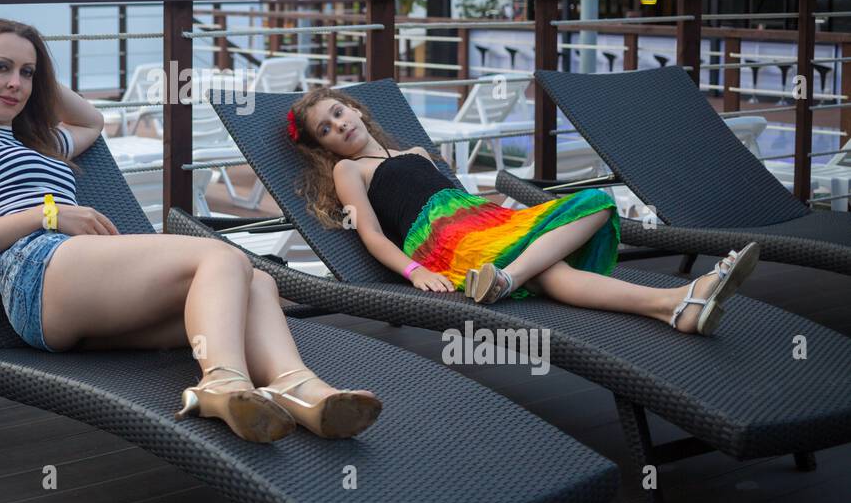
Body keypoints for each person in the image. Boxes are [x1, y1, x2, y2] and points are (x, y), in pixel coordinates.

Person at [0, 18, 382, 443]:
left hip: (82, 298)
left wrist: (38, 73)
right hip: (35, 274)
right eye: (0, 68)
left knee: (255, 280)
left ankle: (301, 390)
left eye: (26, 73)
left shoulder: (45, 142)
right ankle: (221, 383)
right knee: (222, 257)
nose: (14, 84)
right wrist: (50, 215)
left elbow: (92, 121)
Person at [287, 86, 758, 334]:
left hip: (484, 221)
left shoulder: (416, 150)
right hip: (442, 242)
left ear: (356, 109)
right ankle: (679, 300)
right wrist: (412, 271)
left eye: (338, 113)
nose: (337, 126)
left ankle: (676, 307)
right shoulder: (352, 172)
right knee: (547, 271)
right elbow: (371, 235)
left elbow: (464, 201)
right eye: (325, 129)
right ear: (324, 148)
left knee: (596, 202)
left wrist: (501, 215)